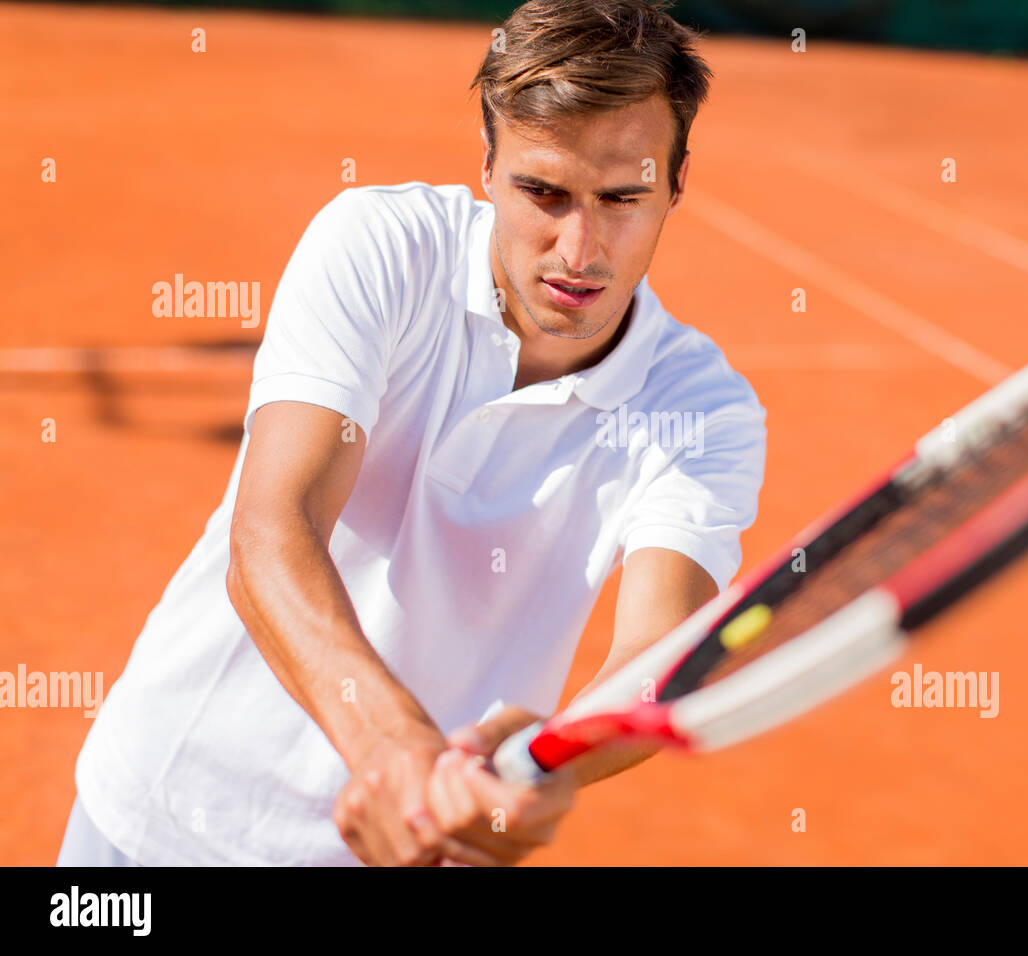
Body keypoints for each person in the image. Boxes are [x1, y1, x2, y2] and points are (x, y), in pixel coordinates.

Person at [59, 0, 765, 867]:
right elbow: (274, 526)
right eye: (542, 192)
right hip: (163, 820)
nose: (580, 249)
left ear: (679, 181)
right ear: (486, 164)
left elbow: (653, 656)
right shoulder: (379, 247)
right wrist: (396, 747)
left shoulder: (704, 409)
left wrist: (544, 761)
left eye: (624, 197)